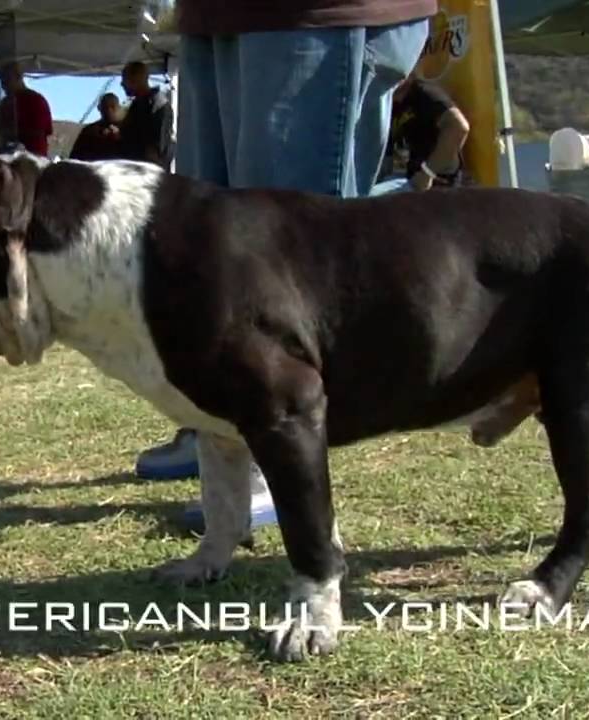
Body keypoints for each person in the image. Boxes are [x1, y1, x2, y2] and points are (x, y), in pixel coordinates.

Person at [135, 0, 434, 533]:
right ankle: (227, 438)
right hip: (219, 17)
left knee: (280, 266)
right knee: (213, 253)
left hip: (315, 15)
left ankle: (276, 471)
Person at [370, 73, 470, 195]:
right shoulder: (391, 105)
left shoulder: (425, 94)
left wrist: (427, 173)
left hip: (437, 184)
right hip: (408, 177)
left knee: (365, 200)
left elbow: (459, 127)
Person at [0, 61, 54, 157]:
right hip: (9, 157)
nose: (4, 85)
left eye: (7, 80)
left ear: (18, 77)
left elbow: (40, 132)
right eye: (2, 81)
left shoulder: (36, 100)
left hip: (33, 159)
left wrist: (11, 132)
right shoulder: (5, 103)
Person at [118, 62, 174, 167]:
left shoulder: (158, 104)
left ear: (137, 78)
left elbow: (155, 151)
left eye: (124, 79)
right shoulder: (137, 104)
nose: (122, 84)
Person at [69, 93, 124, 161]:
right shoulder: (89, 132)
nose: (109, 110)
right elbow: (75, 158)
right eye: (106, 107)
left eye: (112, 106)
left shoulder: (127, 129)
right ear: (99, 108)